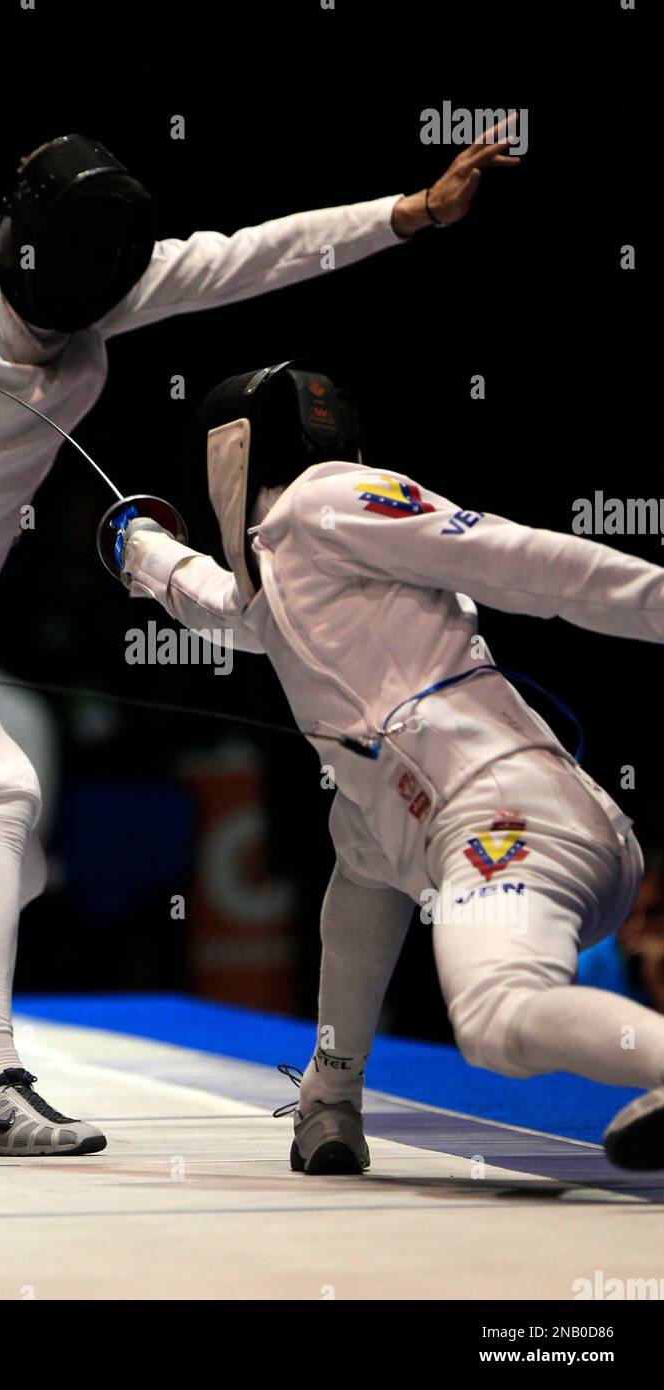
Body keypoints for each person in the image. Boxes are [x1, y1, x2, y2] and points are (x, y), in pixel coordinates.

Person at [0, 128, 518, 1158]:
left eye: (108, 274)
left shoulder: (100, 285)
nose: (93, 296)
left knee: (7, 866)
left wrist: (410, 212)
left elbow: (253, 254)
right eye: (76, 268)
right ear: (29, 240)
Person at [114, 360, 664, 1173]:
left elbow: (523, 561)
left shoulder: (323, 499)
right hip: (484, 822)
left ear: (231, 456)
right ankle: (329, 1099)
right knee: (363, 844)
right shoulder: (293, 565)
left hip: (503, 818)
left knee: (492, 1021)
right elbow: (228, 607)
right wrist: (140, 547)